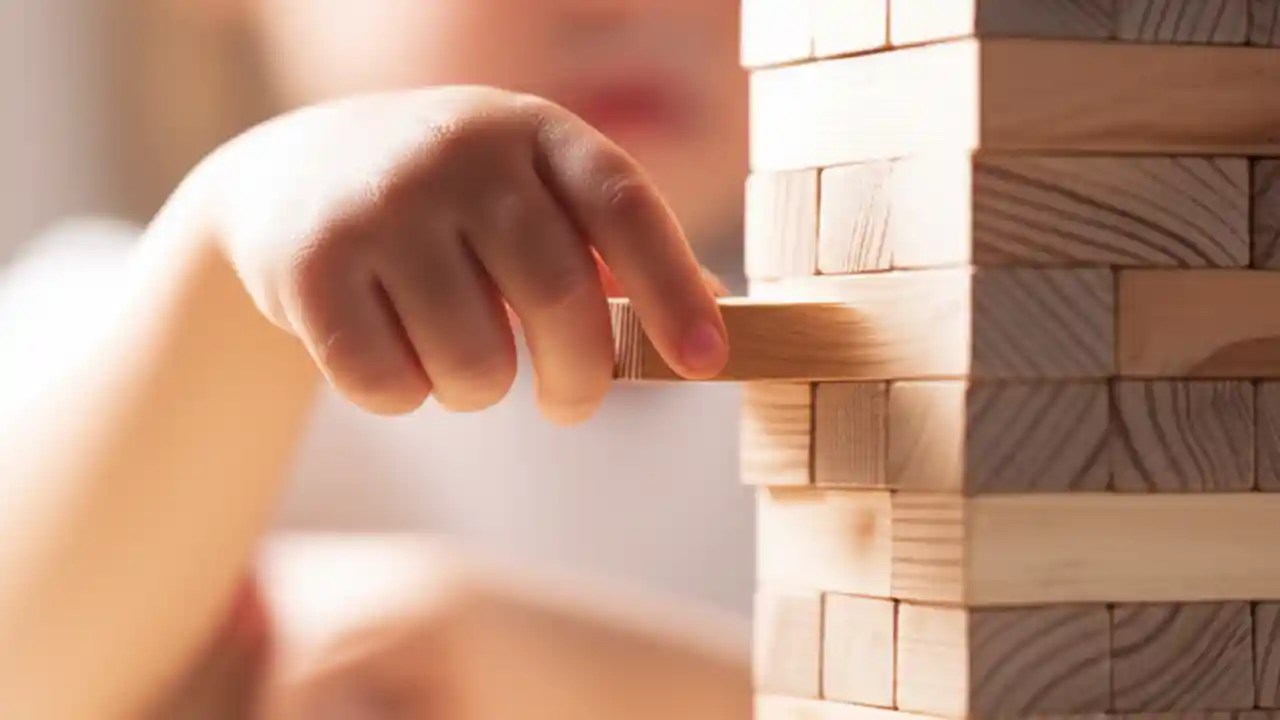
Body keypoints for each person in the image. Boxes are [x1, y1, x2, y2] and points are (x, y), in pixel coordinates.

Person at [0, 1, 754, 718]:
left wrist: (633, 697)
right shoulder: (113, 325)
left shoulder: (837, 375)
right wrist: (227, 275)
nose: (616, 7)